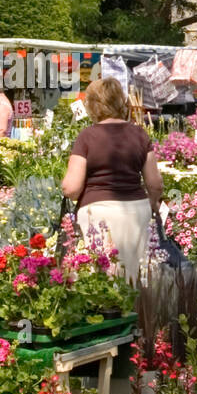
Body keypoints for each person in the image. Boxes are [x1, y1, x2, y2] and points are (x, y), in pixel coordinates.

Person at [61, 77, 163, 283]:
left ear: (93, 105)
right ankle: (138, 313)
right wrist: (152, 203)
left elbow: (71, 188)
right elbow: (155, 183)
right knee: (135, 277)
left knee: (100, 278)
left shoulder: (87, 137)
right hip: (136, 210)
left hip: (97, 213)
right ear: (121, 102)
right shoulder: (140, 134)